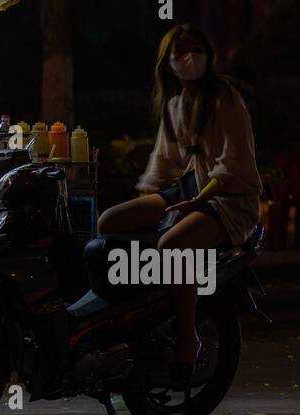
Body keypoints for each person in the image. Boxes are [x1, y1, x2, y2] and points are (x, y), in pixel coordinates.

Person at [97, 24, 262, 385]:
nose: (188, 58)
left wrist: (196, 202)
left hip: (227, 196)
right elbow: (164, 166)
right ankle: (139, 314)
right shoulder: (174, 106)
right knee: (109, 223)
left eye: (195, 50)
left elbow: (234, 163)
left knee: (172, 244)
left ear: (208, 55)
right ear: (167, 63)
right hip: (187, 189)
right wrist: (150, 204)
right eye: (180, 52)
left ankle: (189, 338)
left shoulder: (224, 97)